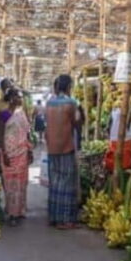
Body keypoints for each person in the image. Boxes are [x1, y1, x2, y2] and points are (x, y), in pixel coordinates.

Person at [45, 74, 79, 229]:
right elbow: (76, 121)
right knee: (66, 184)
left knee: (55, 183)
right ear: (68, 87)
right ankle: (64, 220)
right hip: (66, 147)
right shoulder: (71, 103)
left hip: (52, 148)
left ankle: (53, 216)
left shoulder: (49, 103)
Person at [1, 88, 33, 225]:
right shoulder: (4, 115)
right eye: (19, 97)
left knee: (21, 183)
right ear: (12, 98)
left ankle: (19, 211)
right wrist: (4, 153)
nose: (21, 99)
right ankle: (12, 213)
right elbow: (0, 134)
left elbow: (27, 133)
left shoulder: (21, 113)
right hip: (9, 154)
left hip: (22, 153)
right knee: (11, 185)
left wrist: (30, 151)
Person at [103, 105, 131, 172]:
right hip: (125, 139)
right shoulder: (128, 109)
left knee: (116, 160)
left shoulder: (114, 111)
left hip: (117, 139)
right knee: (125, 160)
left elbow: (108, 127)